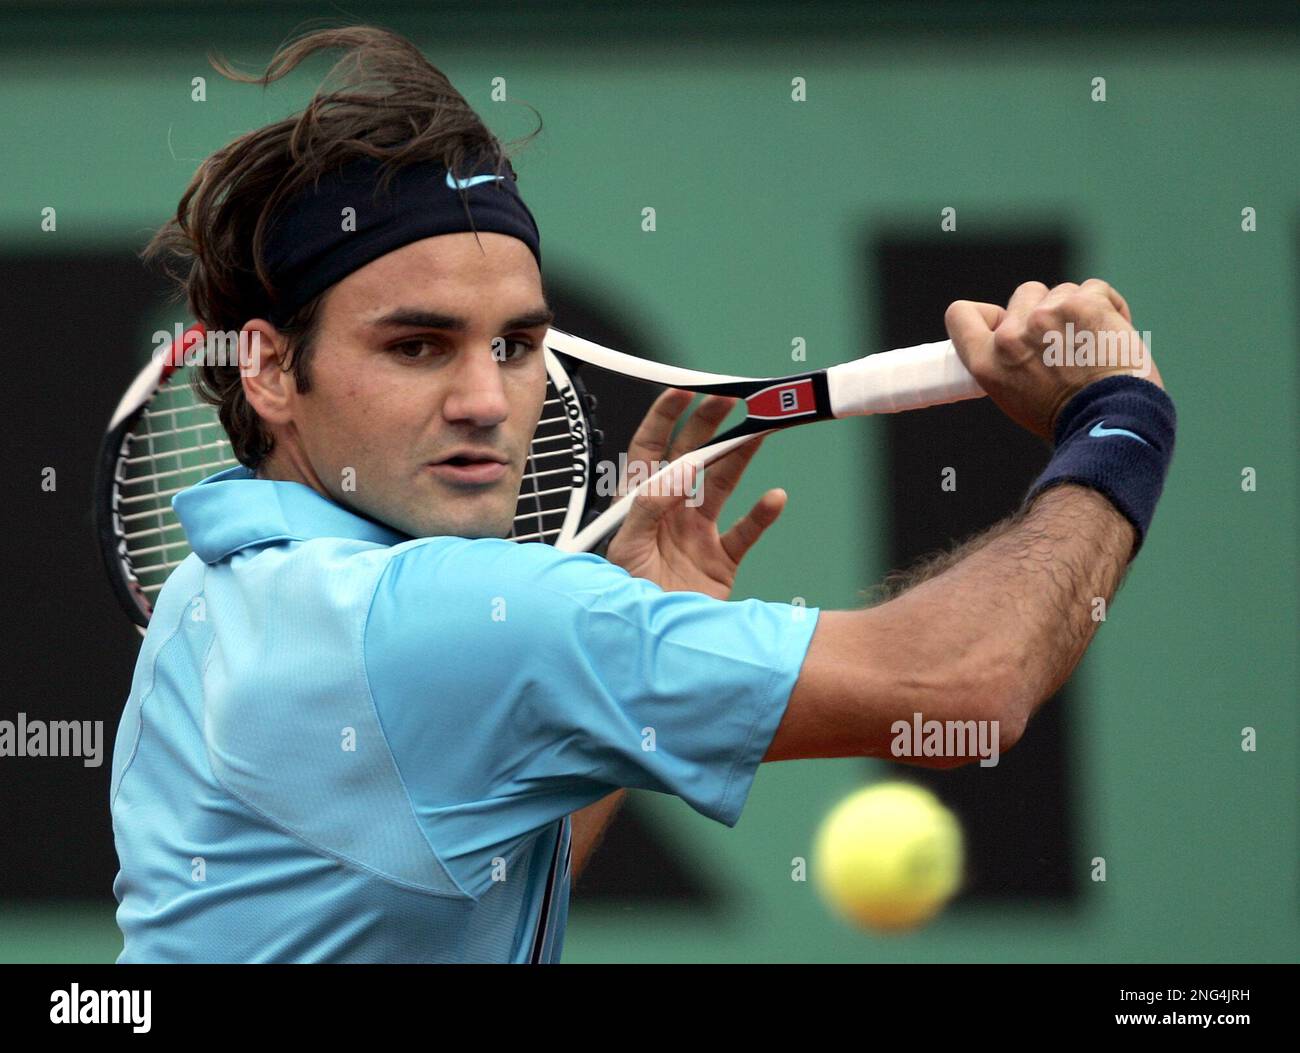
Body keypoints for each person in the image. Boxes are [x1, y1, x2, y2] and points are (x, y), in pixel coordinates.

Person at [110, 26, 1175, 963]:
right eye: (418, 345)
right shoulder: (445, 615)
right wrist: (1118, 419)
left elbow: (432, 897)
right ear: (267, 369)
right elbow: (965, 689)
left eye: (518, 345)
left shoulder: (210, 600)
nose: (486, 399)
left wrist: (603, 703)